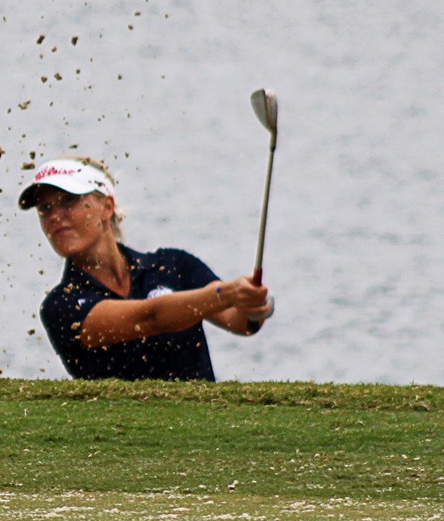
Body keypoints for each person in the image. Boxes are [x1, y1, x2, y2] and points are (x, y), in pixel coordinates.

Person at [18, 157, 273, 381]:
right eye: (45, 208)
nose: (54, 216)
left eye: (68, 201)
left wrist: (256, 303)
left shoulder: (173, 265)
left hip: (202, 430)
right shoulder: (60, 306)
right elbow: (149, 318)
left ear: (106, 207)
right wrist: (226, 294)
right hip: (121, 435)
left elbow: (241, 322)